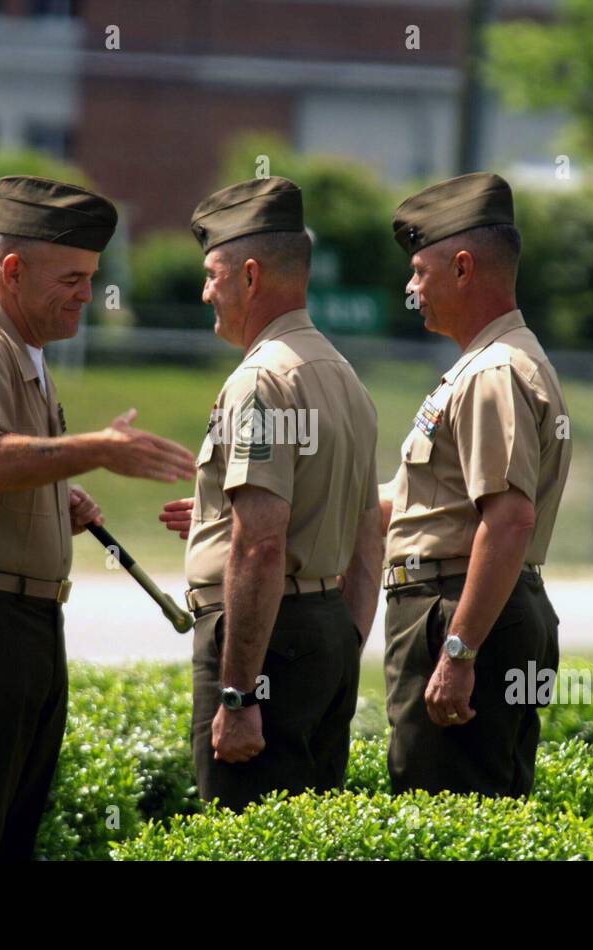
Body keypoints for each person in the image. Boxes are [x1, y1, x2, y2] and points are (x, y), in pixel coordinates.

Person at [0, 175, 197, 859]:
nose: (87, 295)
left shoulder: (24, 355)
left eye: (91, 277)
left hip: (25, 624)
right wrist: (94, 450)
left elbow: (2, 466)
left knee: (10, 839)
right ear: (11, 271)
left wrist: (46, 495)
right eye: (71, 277)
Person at [158, 177, 383, 812]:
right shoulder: (343, 375)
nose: (206, 292)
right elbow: (369, 532)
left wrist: (238, 696)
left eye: (212, 275)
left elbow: (260, 546)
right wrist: (342, 643)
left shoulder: (261, 381)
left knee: (243, 834)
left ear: (250, 277)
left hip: (264, 645)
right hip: (323, 633)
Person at [379, 172, 572, 797]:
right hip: (468, 608)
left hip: (459, 611)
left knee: (447, 813)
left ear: (463, 267)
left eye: (419, 271)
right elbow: (413, 505)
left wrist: (459, 653)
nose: (412, 288)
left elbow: (508, 519)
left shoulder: (493, 371)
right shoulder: (493, 361)